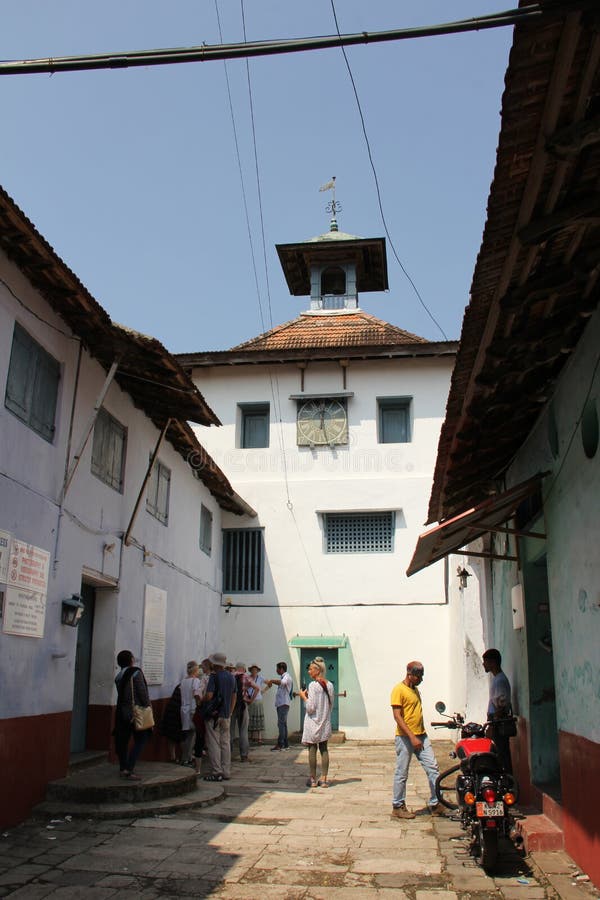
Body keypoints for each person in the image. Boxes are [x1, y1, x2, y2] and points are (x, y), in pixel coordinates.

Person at [390, 660, 445, 819]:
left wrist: (418, 735)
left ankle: (436, 802)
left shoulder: (415, 690)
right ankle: (398, 805)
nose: (421, 679)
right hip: (405, 737)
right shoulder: (398, 690)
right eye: (419, 676)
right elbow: (397, 716)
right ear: (410, 675)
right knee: (402, 772)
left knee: (433, 768)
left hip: (421, 735)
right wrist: (412, 737)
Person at [113, 650, 153, 781]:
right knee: (142, 739)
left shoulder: (118, 676)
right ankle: (129, 768)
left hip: (123, 713)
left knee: (123, 740)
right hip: (137, 712)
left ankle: (123, 768)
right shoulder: (136, 673)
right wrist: (149, 707)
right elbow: (142, 693)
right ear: (131, 660)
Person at [298, 658, 334, 787]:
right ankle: (324, 778)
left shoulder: (313, 685)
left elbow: (310, 707)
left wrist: (303, 697)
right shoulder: (330, 685)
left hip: (313, 721)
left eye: (311, 669)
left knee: (312, 749)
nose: (309, 671)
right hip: (324, 721)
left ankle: (313, 778)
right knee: (324, 749)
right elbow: (331, 705)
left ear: (318, 670)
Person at [202, 651, 236, 782]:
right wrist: (230, 711)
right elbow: (234, 696)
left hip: (214, 715)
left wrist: (202, 699)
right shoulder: (231, 677)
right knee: (225, 743)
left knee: (214, 743)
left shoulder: (214, 677)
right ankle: (226, 771)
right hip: (226, 714)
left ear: (214, 664)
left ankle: (217, 771)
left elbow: (209, 695)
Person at [483, 648, 513, 773]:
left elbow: (501, 706)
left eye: (485, 661)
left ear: (493, 662)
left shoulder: (500, 680)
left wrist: (492, 724)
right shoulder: (497, 679)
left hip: (498, 723)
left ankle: (507, 780)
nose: (483, 664)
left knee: (502, 755)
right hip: (497, 722)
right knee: (500, 754)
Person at [180, 660, 202, 771]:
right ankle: (187, 758)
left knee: (187, 734)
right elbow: (196, 695)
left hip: (184, 708)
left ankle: (185, 757)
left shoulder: (183, 681)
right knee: (192, 735)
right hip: (192, 709)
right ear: (195, 670)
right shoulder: (196, 681)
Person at [267, 661, 293, 751]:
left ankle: (280, 744)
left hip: (283, 704)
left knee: (281, 724)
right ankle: (285, 744)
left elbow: (282, 683)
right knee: (283, 724)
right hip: (282, 704)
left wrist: (271, 680)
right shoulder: (284, 677)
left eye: (277, 668)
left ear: (281, 669)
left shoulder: (286, 677)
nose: (276, 670)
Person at [158, 682, 183, 763]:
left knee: (171, 737)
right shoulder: (192, 685)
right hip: (178, 713)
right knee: (182, 736)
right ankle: (183, 757)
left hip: (171, 711)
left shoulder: (180, 685)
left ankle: (173, 757)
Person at [248, 664, 266, 744]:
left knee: (258, 718)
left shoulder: (260, 678)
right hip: (250, 700)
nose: (254, 671)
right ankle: (251, 736)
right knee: (250, 718)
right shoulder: (248, 678)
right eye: (252, 670)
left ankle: (259, 738)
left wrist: (263, 691)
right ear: (251, 670)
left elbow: (269, 683)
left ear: (257, 671)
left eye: (255, 670)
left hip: (258, 700)